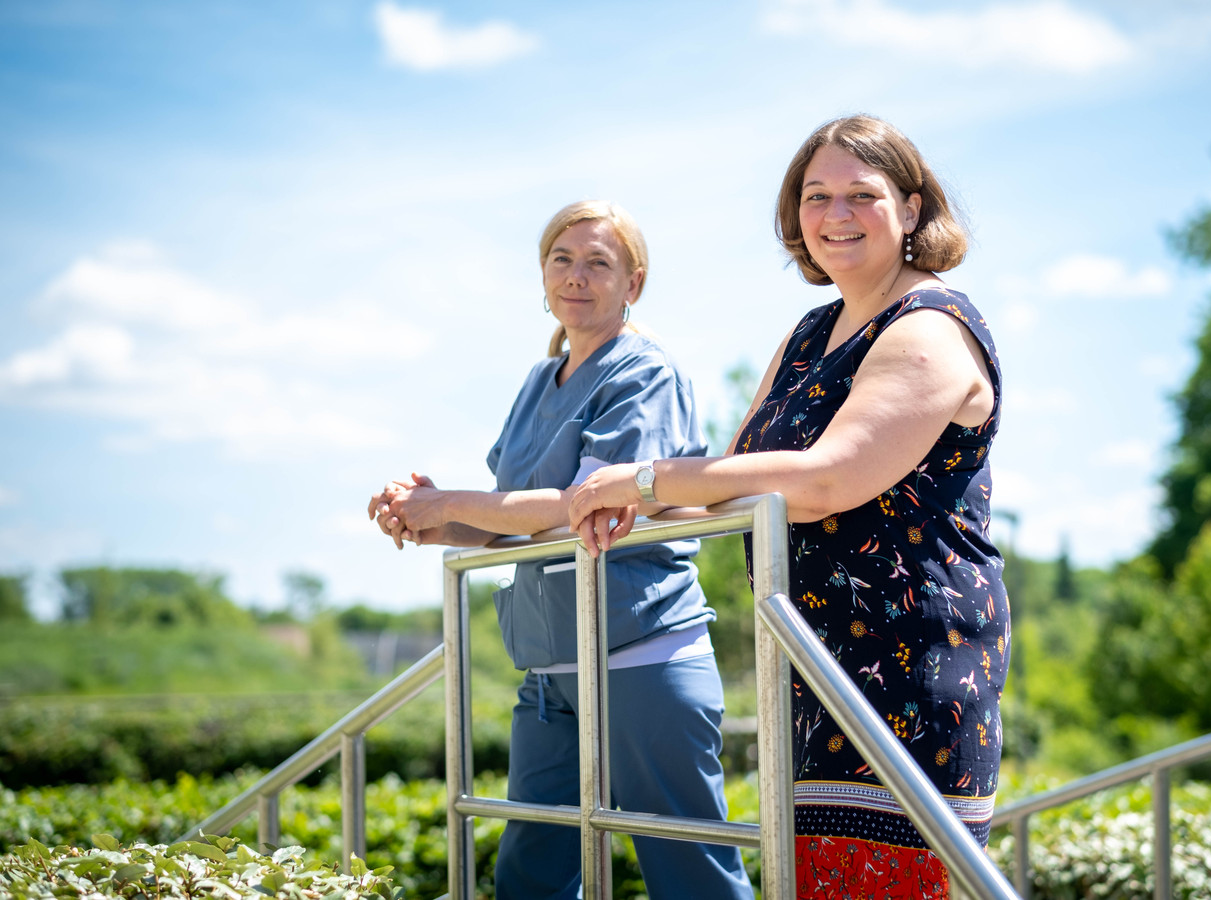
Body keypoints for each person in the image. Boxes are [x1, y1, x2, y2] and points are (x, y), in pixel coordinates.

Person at [568, 115, 1009, 897]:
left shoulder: (931, 326)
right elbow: (736, 475)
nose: (835, 216)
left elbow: (827, 478)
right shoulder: (812, 331)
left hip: (908, 678)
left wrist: (640, 482)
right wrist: (624, 505)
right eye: (816, 196)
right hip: (809, 669)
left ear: (911, 208)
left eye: (860, 195)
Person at [367, 200, 753, 900]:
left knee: (690, 876)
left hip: (641, 656)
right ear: (543, 276)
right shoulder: (533, 384)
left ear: (632, 284)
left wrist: (450, 502)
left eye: (598, 263)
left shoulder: (647, 372)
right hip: (550, 668)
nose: (577, 277)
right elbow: (510, 520)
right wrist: (424, 517)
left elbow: (592, 500)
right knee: (529, 874)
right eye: (562, 259)